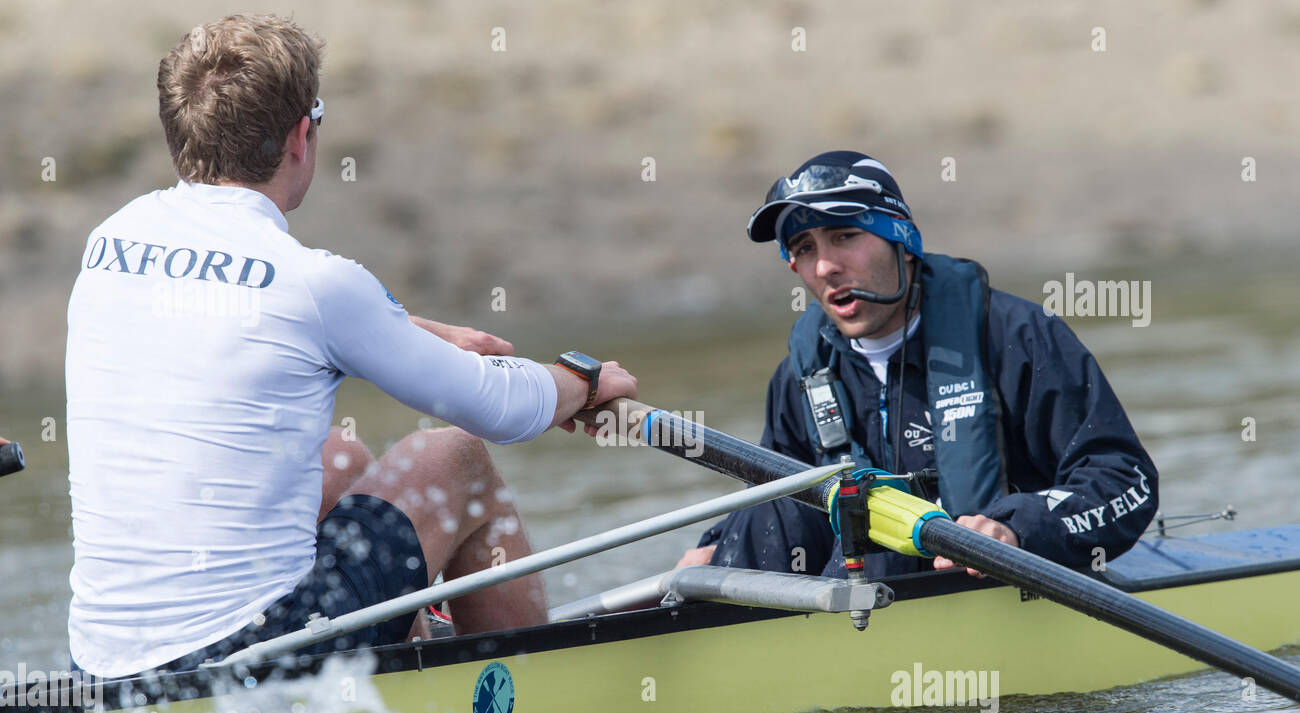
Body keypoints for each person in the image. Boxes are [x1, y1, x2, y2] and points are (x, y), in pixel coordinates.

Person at [65, 14, 636, 678]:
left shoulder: (111, 242)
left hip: (107, 667)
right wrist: (582, 383)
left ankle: (408, 672)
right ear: (301, 136)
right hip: (252, 654)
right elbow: (499, 408)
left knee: (337, 457)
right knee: (453, 455)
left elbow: (234, 306)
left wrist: (407, 329)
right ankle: (532, 700)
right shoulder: (317, 283)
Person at [682, 150, 1157, 579]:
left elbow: (1123, 479)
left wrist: (1014, 531)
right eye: (805, 248)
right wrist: (718, 547)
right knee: (770, 507)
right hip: (861, 596)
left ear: (901, 239)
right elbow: (782, 517)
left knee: (874, 525)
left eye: (844, 236)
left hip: (984, 581)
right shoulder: (799, 377)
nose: (825, 267)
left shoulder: (1016, 335)